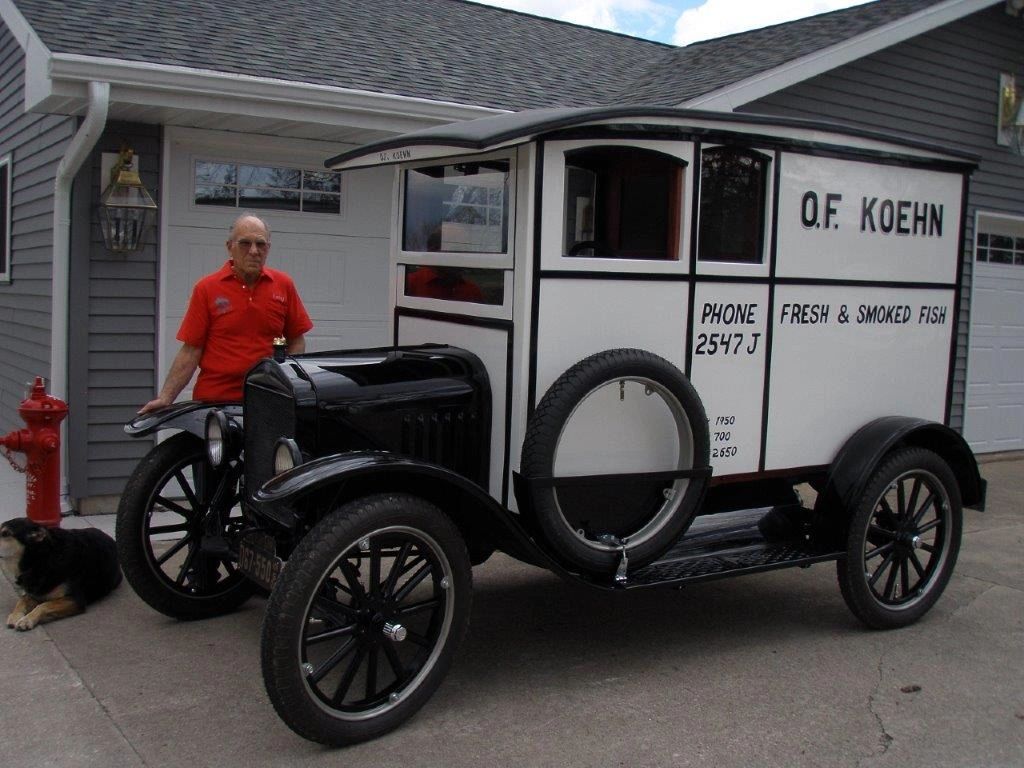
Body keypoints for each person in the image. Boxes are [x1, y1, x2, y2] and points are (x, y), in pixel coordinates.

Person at [138, 214, 313, 414]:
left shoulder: (283, 285)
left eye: (260, 244)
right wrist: (166, 398)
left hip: (268, 398)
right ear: (230, 247)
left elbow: (297, 339)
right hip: (216, 401)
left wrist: (287, 380)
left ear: (268, 248)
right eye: (245, 243)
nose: (254, 251)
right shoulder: (206, 289)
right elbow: (190, 351)